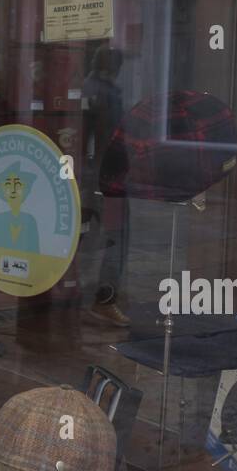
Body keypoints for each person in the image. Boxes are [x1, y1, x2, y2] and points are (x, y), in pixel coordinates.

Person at [82, 45, 130, 328]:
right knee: (116, 236)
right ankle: (105, 299)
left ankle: (89, 293)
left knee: (85, 236)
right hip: (106, 179)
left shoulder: (88, 87)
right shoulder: (105, 92)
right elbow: (107, 138)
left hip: (91, 175)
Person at [0, 161, 40, 253]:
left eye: (18, 185)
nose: (13, 190)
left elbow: (36, 253)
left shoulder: (30, 221)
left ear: (25, 189)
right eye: (8, 185)